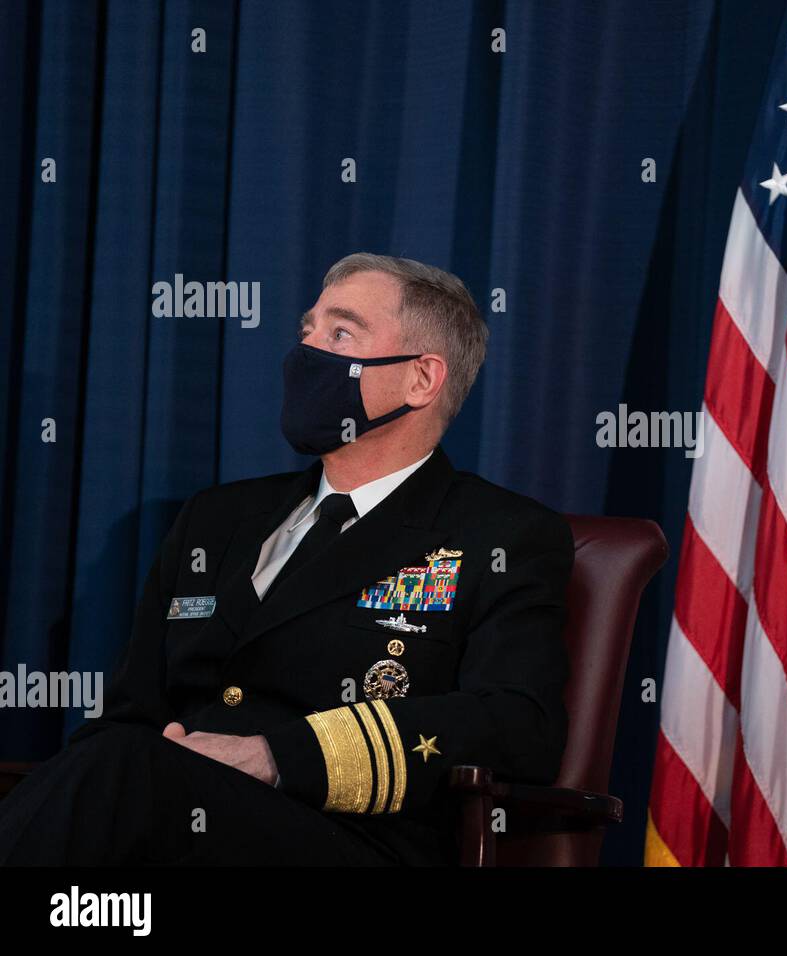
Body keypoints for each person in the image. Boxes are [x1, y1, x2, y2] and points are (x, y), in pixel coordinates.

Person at [0, 254, 573, 865]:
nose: (306, 351)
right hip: (162, 820)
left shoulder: (501, 533)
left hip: (344, 838)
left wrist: (278, 757)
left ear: (421, 380)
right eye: (307, 330)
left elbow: (517, 725)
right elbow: (130, 714)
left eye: (340, 333)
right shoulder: (216, 519)